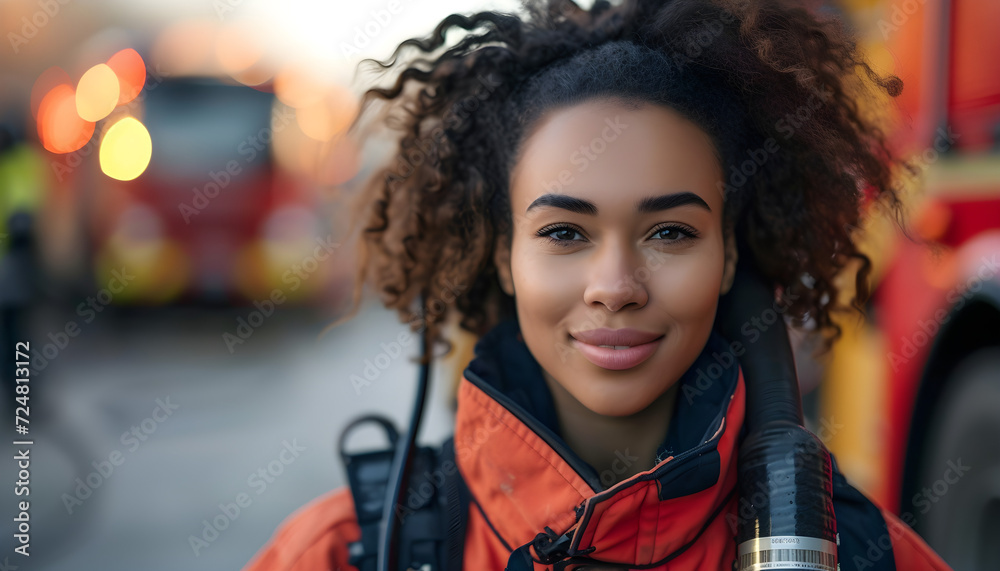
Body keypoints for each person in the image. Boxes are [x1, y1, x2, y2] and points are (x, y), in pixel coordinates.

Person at [242, 0, 953, 569]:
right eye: (564, 233)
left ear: (730, 255)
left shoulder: (863, 555)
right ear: (501, 256)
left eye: (670, 232)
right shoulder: (340, 553)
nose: (615, 285)